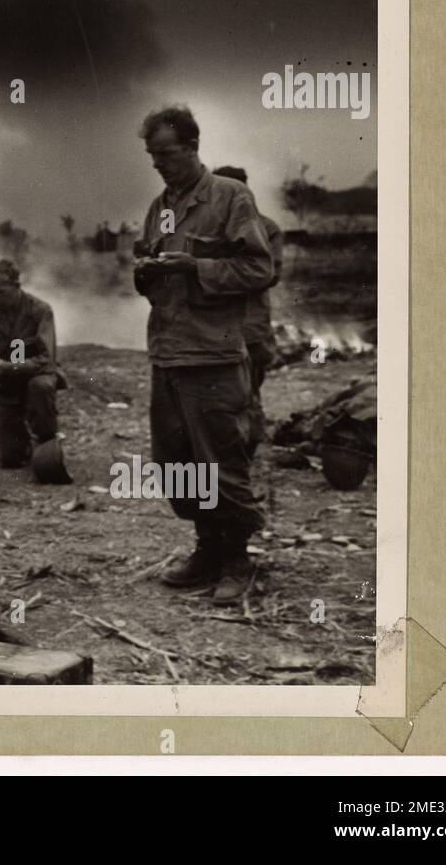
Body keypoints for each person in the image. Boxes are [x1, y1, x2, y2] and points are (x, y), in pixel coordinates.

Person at [133, 106, 273, 605]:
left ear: (192, 148)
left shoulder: (230, 198)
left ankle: (237, 559)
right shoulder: (158, 206)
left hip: (213, 357)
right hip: (168, 354)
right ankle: (206, 549)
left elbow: (259, 269)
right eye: (152, 156)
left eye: (165, 154)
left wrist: (196, 267)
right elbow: (151, 273)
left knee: (221, 463)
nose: (158, 165)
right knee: (176, 464)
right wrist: (147, 271)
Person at [0, 259, 63, 470]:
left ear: (17, 286)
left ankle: (46, 438)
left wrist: (8, 367)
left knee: (41, 387)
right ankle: (22, 442)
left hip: (36, 375)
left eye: (1, 292)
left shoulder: (40, 310)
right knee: (11, 460)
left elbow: (46, 360)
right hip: (6, 384)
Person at [213, 166, 285, 457]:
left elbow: (270, 274)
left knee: (248, 391)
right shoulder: (209, 227)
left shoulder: (266, 229)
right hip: (216, 328)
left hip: (250, 326)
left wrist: (221, 273)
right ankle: (230, 447)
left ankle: (248, 445)